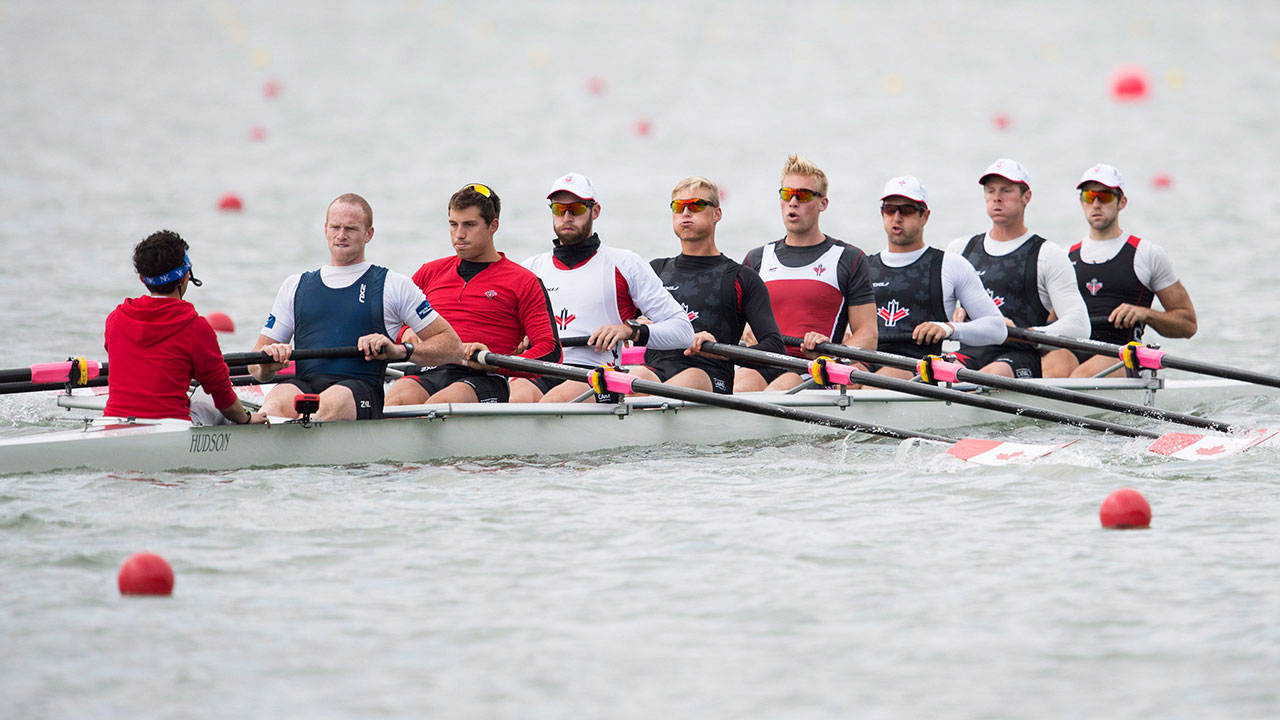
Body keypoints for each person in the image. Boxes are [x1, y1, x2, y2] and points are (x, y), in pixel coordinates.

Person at [249, 193, 462, 420]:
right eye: (335, 227)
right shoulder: (294, 286)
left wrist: (399, 350)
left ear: (368, 234)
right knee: (273, 404)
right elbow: (255, 367)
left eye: (350, 229)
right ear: (325, 229)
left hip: (361, 389)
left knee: (331, 402)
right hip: (305, 384)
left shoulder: (393, 285)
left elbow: (452, 346)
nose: (341, 235)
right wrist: (267, 365)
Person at [514, 172, 694, 402]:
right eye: (560, 209)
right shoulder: (530, 269)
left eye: (576, 209)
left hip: (596, 373)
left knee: (553, 403)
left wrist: (631, 331)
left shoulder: (624, 264)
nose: (567, 216)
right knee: (515, 398)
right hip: (540, 367)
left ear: (595, 211)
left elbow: (683, 332)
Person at [385, 183, 560, 405]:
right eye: (453, 224)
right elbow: (388, 322)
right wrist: (405, 331)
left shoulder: (524, 281)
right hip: (428, 371)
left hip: (484, 377)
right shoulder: (429, 272)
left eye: (469, 225)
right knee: (395, 400)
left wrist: (498, 363)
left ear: (493, 225)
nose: (459, 234)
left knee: (438, 405)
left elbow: (550, 351)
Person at [628, 176, 784, 393]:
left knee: (692, 378)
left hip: (708, 375)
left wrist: (722, 351)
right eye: (679, 206)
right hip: (653, 371)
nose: (685, 213)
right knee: (634, 378)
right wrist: (636, 324)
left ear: (717, 214)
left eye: (696, 205)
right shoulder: (655, 271)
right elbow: (621, 324)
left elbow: (775, 347)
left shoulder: (740, 278)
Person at [736, 154, 877, 391]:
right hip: (762, 361)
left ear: (823, 203)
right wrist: (743, 330)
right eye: (786, 194)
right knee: (739, 388)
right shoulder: (757, 258)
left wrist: (832, 353)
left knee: (777, 392)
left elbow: (868, 336)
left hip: (813, 366)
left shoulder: (849, 259)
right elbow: (732, 324)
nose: (793, 202)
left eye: (802, 195)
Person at [946, 159, 1090, 379]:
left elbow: (1080, 325)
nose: (996, 197)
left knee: (991, 375)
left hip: (1019, 355)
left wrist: (1027, 335)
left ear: (1026, 197)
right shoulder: (959, 250)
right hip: (970, 353)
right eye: (990, 190)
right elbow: (938, 316)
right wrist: (953, 313)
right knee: (939, 373)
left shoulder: (1047, 254)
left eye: (1006, 190)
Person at [103, 230, 252, 425]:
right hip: (172, 431)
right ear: (185, 277)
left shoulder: (115, 319)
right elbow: (225, 400)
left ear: (142, 278)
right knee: (207, 399)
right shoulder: (196, 328)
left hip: (113, 423)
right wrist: (248, 420)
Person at [867, 177, 1007, 379]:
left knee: (873, 385)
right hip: (866, 357)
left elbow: (997, 329)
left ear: (924, 216)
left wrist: (949, 328)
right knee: (847, 384)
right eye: (890, 210)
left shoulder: (950, 265)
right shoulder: (864, 266)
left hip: (918, 363)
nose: (896, 218)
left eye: (906, 210)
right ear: (882, 214)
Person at [1068, 164, 1197, 377]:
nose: (1097, 203)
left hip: (1122, 352)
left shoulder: (1148, 254)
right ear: (1082, 202)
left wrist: (1145, 314)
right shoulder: (1065, 256)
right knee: (1051, 368)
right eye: (1090, 196)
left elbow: (1188, 325)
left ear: (1122, 202)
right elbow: (1048, 318)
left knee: (1078, 378)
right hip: (1072, 348)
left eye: (1105, 196)